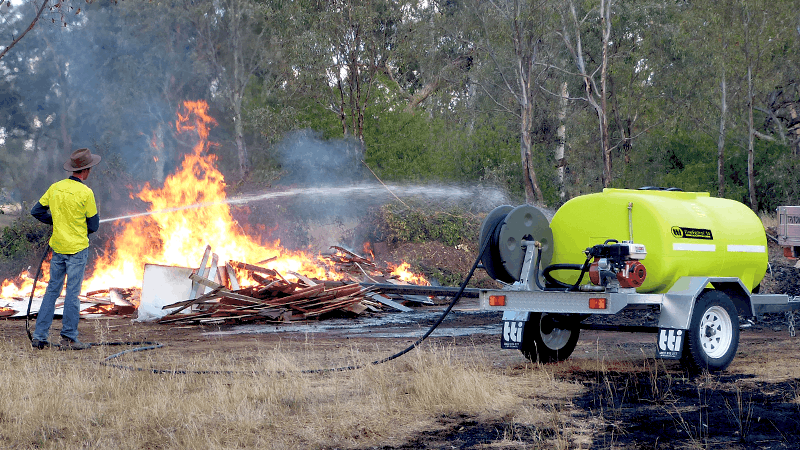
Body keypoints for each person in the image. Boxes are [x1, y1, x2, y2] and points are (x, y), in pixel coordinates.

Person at [30, 148, 101, 350]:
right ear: (85, 171)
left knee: (52, 290)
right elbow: (94, 226)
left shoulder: (55, 187)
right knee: (72, 294)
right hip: (77, 249)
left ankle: (39, 337)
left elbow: (36, 211)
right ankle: (69, 337)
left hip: (58, 248)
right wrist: (76, 225)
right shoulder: (86, 193)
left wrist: (56, 221)